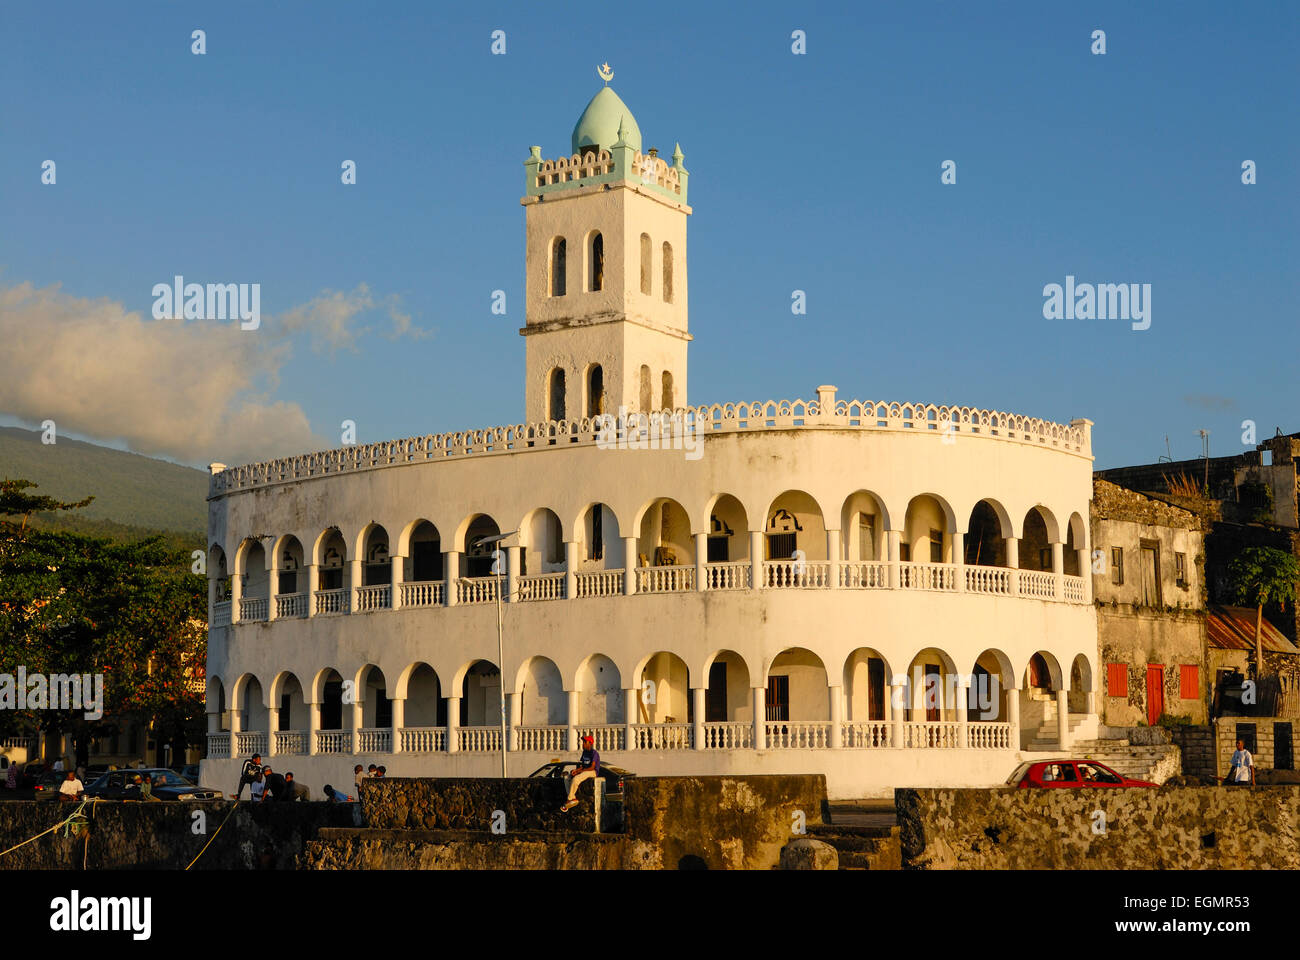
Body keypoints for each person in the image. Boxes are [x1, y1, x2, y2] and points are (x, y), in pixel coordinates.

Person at [560, 735, 600, 812]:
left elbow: (592, 767)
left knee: (576, 779)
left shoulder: (594, 753)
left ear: (590, 743)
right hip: (585, 770)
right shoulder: (584, 752)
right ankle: (572, 798)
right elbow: (583, 766)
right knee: (566, 777)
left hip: (593, 772)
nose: (583, 744)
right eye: (583, 742)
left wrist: (580, 771)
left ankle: (569, 799)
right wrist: (576, 771)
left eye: (585, 742)